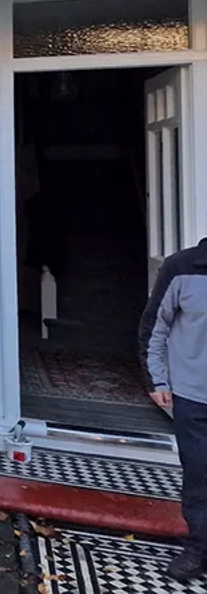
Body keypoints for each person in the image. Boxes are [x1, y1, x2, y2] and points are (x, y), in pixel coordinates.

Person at [140, 237, 207, 581]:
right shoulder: (182, 267)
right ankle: (198, 547)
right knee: (199, 474)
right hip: (193, 396)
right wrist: (157, 380)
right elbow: (155, 326)